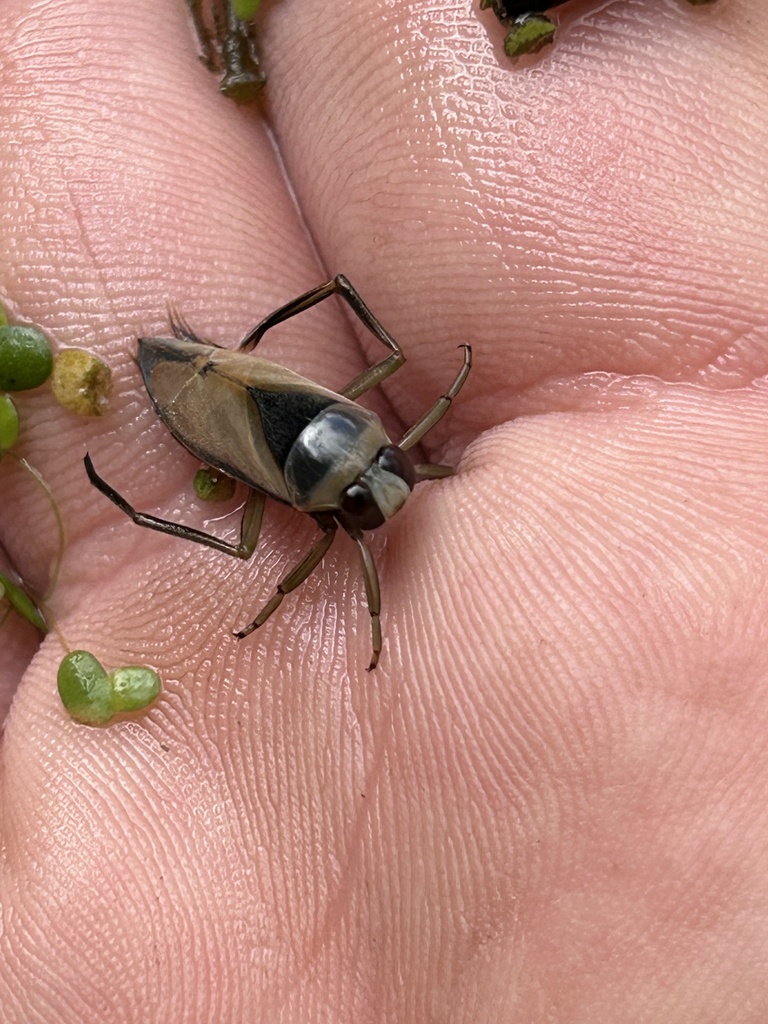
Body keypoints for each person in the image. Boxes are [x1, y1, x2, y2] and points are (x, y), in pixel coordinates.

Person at [1, 0, 766, 1020]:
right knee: (249, 542)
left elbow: (386, 427)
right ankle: (139, 509)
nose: (389, 515)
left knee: (243, 544)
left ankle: (135, 509)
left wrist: (284, 592)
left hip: (248, 410)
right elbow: (402, 419)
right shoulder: (349, 507)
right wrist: (330, 600)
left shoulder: (353, 496)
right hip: (246, 412)